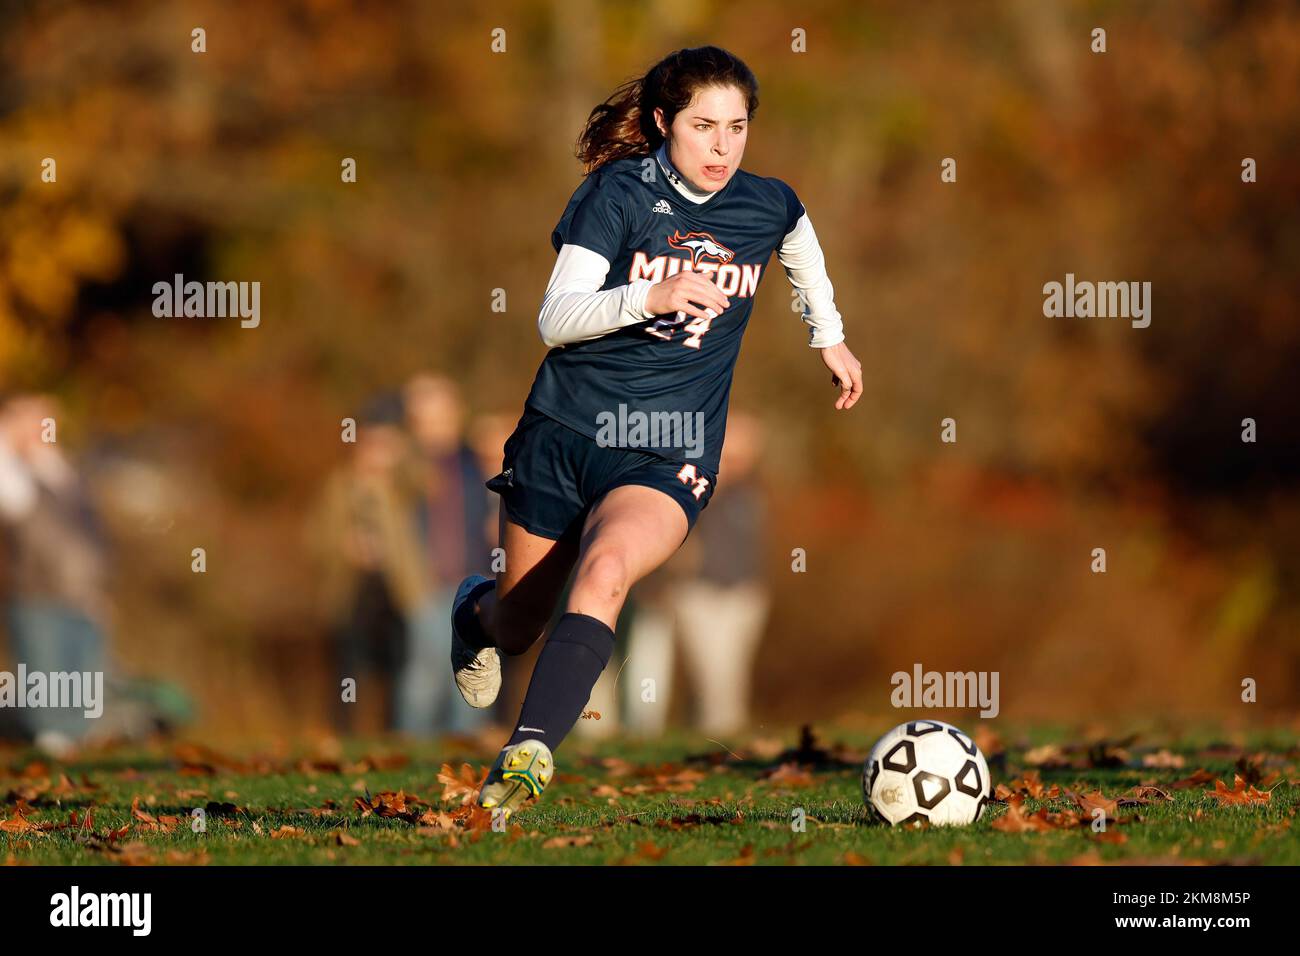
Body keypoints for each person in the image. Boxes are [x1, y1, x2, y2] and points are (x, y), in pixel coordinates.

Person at [448, 46, 861, 817]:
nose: (721, 147)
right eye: (703, 126)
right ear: (665, 122)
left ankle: (526, 756)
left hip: (669, 445)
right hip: (565, 433)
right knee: (515, 626)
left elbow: (802, 247)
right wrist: (652, 292)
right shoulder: (617, 193)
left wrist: (827, 336)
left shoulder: (767, 204)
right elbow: (555, 319)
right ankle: (473, 614)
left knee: (606, 572)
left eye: (737, 128)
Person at [395, 374, 492, 735]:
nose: (434, 426)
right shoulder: (407, 465)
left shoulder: (474, 462)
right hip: (425, 583)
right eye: (423, 417)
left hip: (472, 581)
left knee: (474, 667)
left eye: (440, 414)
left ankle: (465, 748)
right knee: (427, 670)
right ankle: (413, 745)